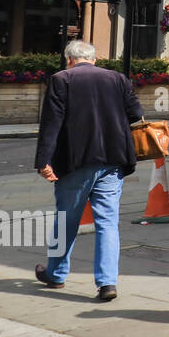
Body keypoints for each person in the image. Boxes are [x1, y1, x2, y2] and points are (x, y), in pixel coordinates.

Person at [33, 39, 144, 301]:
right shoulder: (118, 78)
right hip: (113, 160)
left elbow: (51, 124)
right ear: (94, 59)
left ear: (68, 59)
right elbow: (136, 112)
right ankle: (107, 283)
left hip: (75, 162)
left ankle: (56, 275)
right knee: (107, 223)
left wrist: (43, 161)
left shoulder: (62, 80)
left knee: (66, 221)